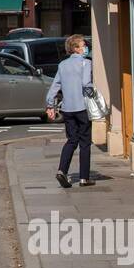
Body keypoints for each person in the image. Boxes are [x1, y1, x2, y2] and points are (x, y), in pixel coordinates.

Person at [46, 34, 94, 188]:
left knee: (72, 140)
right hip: (82, 108)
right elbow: (86, 83)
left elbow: (55, 86)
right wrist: (93, 92)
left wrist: (50, 105)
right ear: (75, 48)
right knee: (85, 142)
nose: (85, 47)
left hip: (67, 109)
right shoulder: (86, 63)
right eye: (83, 45)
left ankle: (62, 171)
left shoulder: (62, 65)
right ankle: (84, 178)